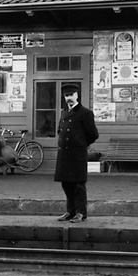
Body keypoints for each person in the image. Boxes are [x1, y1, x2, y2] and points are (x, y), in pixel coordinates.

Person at [53, 85, 100, 222]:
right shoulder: (64, 112)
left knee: (78, 185)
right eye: (66, 96)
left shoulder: (85, 113)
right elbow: (60, 131)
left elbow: (93, 134)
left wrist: (81, 144)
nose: (69, 98)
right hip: (65, 154)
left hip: (77, 154)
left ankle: (81, 213)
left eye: (71, 95)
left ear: (77, 95)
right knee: (66, 183)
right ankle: (70, 211)